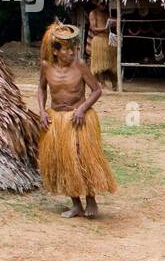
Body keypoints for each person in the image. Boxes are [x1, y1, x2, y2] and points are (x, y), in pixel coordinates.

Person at [37, 22, 117, 218]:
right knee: (65, 162)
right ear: (55, 52)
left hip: (79, 118)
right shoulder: (46, 67)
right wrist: (41, 111)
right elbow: (41, 89)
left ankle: (91, 200)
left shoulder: (80, 65)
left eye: (73, 48)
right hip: (57, 120)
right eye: (66, 50)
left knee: (84, 159)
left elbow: (97, 90)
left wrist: (82, 109)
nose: (71, 53)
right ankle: (75, 204)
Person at [87, 2, 117, 85]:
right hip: (98, 40)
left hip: (108, 40)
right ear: (96, 2)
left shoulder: (108, 13)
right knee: (99, 65)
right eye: (101, 3)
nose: (103, 5)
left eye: (105, 3)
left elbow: (113, 25)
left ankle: (115, 85)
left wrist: (115, 24)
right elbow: (93, 28)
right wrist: (105, 29)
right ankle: (102, 84)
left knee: (112, 65)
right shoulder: (93, 13)